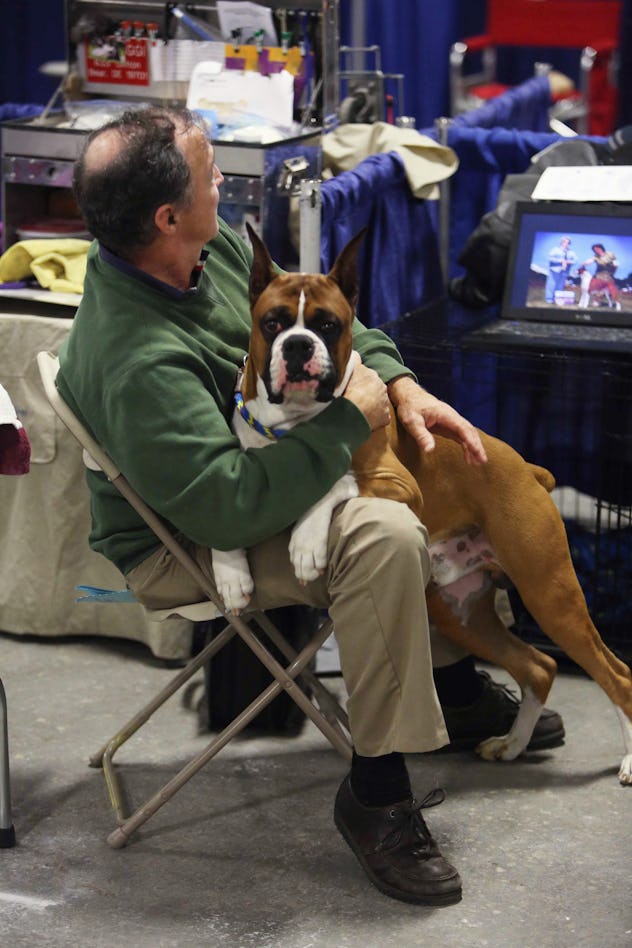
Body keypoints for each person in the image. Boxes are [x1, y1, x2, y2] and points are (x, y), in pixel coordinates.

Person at [57, 106, 563, 906]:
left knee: (416, 475)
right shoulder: (134, 355)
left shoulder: (205, 248)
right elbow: (223, 510)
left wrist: (399, 383)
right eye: (210, 176)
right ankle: (377, 793)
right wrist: (346, 423)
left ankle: (456, 688)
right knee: (385, 535)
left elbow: (325, 314)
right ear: (166, 216)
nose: (222, 184)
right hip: (186, 535)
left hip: (266, 458)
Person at [582, 243, 621, 310]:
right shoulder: (595, 256)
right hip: (599, 275)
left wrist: (613, 273)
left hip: (608, 275)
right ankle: (596, 301)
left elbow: (616, 264)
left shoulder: (610, 254)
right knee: (594, 289)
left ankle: (617, 303)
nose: (595, 251)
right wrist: (585, 263)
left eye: (596, 249)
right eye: (594, 250)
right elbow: (590, 260)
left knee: (613, 291)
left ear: (601, 248)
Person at [545, 235, 576, 304]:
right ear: (561, 242)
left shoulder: (571, 252)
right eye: (565, 242)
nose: (567, 244)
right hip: (555, 270)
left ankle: (557, 300)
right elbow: (550, 258)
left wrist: (569, 262)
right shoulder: (555, 249)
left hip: (565, 271)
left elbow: (575, 260)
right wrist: (560, 261)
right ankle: (549, 300)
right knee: (551, 285)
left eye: (568, 243)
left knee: (560, 285)